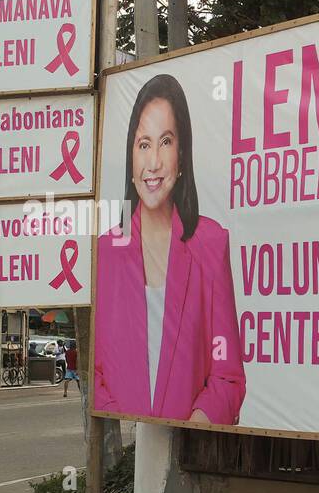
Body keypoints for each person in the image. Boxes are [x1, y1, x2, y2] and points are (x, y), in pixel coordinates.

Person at [95, 73, 246, 425]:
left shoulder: (210, 244)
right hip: (124, 452)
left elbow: (227, 375)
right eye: (143, 144)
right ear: (131, 157)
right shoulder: (105, 252)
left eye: (166, 141)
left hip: (188, 449)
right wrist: (128, 437)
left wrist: (190, 431)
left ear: (182, 155)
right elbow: (98, 372)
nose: (153, 163)